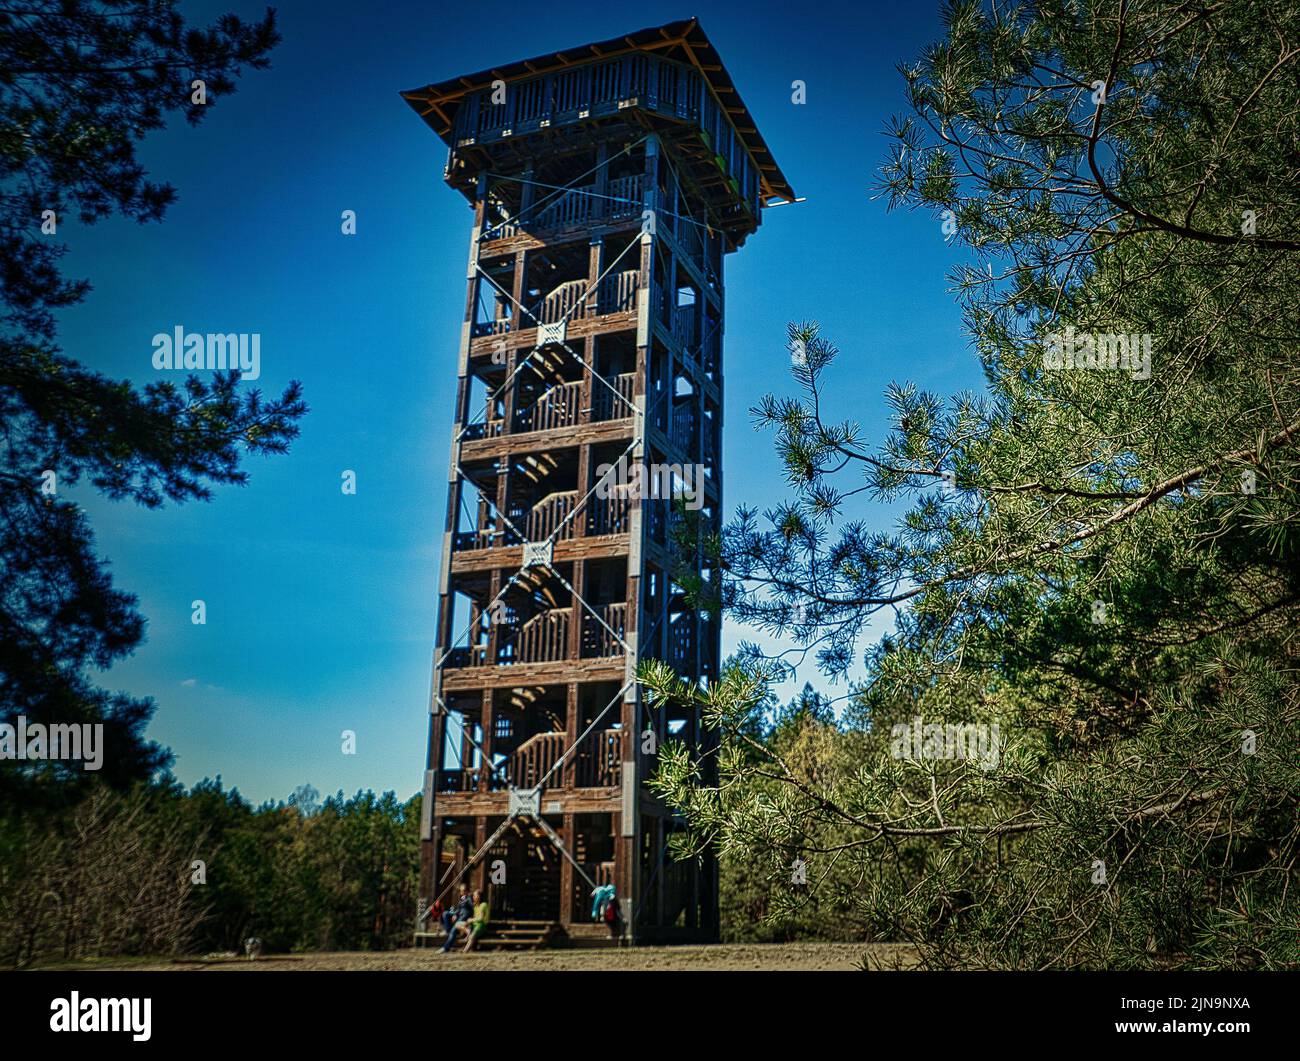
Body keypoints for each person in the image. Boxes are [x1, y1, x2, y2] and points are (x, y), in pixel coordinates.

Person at [440, 885, 473, 953]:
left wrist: (470, 919)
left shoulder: (469, 898)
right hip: (458, 915)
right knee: (445, 913)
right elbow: (458, 909)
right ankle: (447, 930)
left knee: (453, 930)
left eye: (463, 891)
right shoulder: (462, 899)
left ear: (467, 891)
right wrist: (454, 914)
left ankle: (445, 948)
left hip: (463, 918)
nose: (461, 892)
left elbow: (472, 908)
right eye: (460, 891)